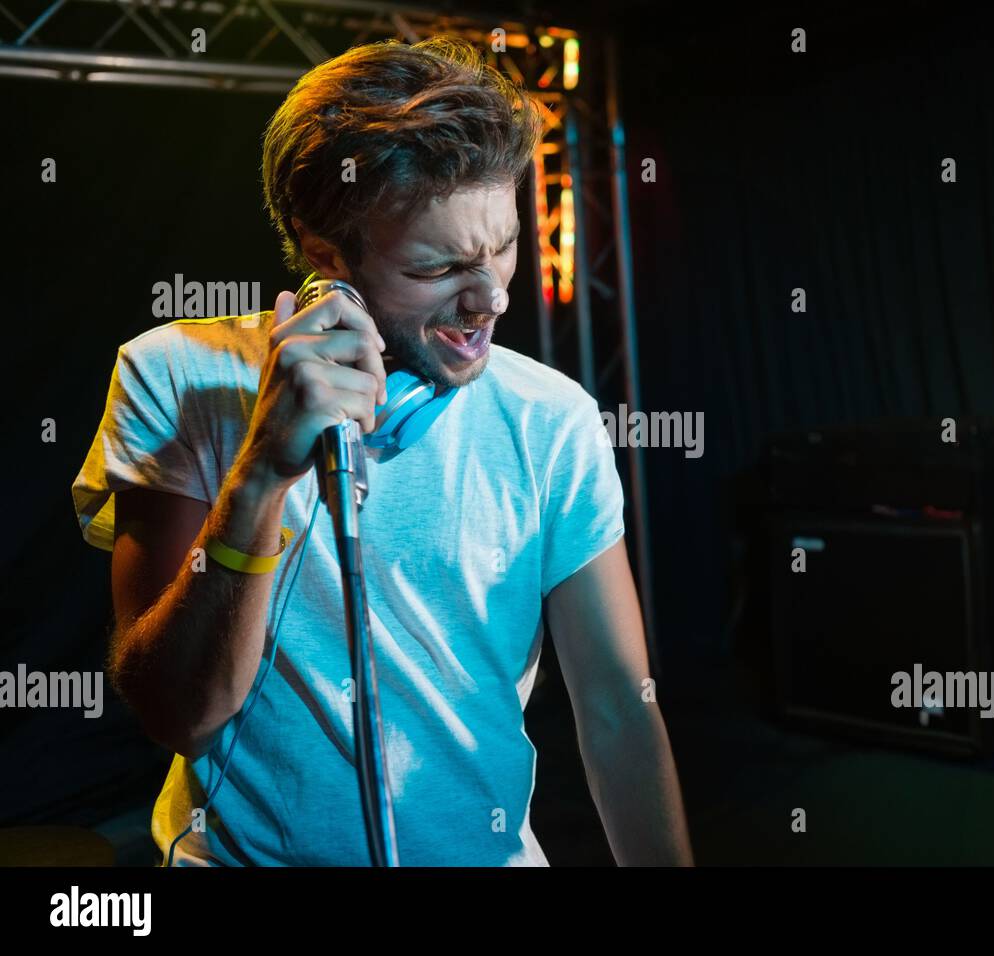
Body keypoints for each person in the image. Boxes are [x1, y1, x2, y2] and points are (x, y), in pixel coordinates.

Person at [70, 36, 693, 867]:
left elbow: (618, 707)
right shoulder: (174, 376)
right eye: (442, 267)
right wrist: (262, 473)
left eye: (503, 244)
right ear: (325, 256)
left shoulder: (552, 418)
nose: (493, 297)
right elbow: (179, 712)